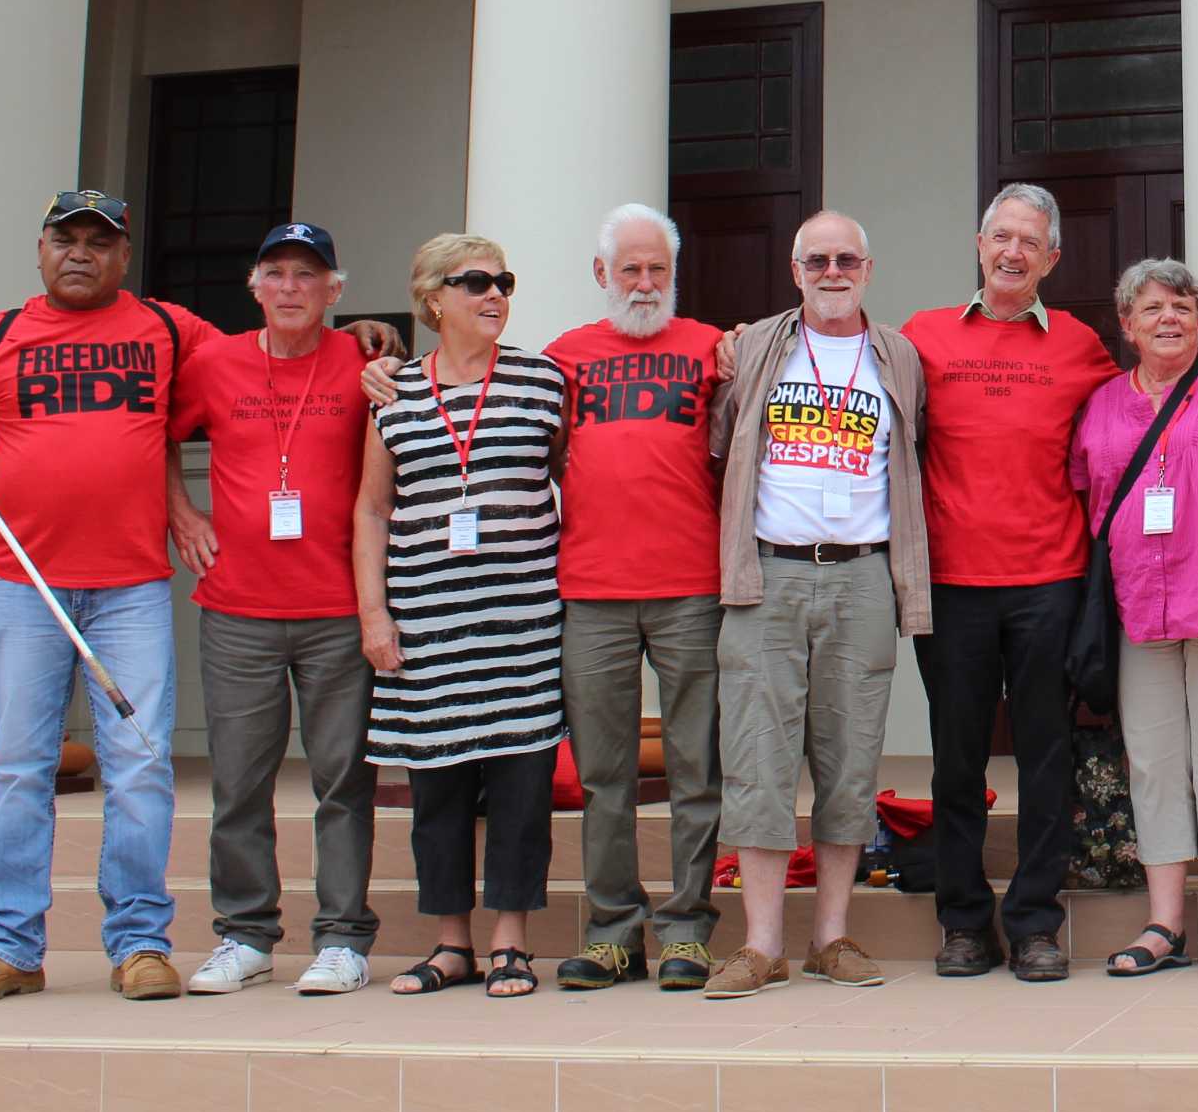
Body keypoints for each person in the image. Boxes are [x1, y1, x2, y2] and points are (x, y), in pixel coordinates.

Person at [0, 191, 223, 1006]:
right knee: (18, 767)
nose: (81, 253)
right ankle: (5, 949)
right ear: (40, 250)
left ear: (124, 256)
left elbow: (262, 366)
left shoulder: (169, 328)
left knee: (140, 765)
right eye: (65, 239)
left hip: (130, 587)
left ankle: (140, 944)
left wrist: (355, 337)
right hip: (23, 583)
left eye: (99, 242)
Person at [702, 209, 929, 997]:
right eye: (818, 261)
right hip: (767, 574)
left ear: (868, 269)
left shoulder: (899, 356)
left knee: (850, 761)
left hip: (862, 577)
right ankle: (761, 944)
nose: (833, 272)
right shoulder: (753, 346)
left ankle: (832, 936)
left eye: (847, 260)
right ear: (794, 271)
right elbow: (715, 441)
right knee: (758, 759)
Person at [899, 184, 1119, 982]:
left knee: (1044, 757)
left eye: (1030, 242)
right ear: (979, 244)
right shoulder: (921, 337)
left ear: (1051, 258)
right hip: (951, 583)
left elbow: (1134, 415)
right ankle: (963, 923)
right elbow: (844, 370)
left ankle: (1033, 923)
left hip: (1049, 581)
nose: (1013, 252)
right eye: (1002, 237)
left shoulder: (1081, 345)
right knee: (956, 761)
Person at [167, 222, 379, 997]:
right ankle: (246, 935)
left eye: (308, 274)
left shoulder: (364, 362)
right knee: (238, 783)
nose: (291, 287)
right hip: (238, 610)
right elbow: (155, 435)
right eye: (277, 273)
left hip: (338, 610)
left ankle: (343, 939)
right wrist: (181, 513)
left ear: (335, 289)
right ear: (254, 287)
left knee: (343, 781)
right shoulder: (213, 363)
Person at [356, 235, 568, 999]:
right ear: (432, 299)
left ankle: (511, 942)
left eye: (502, 280)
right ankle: (452, 944)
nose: (494, 294)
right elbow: (372, 508)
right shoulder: (395, 392)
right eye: (474, 281)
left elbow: (568, 481)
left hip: (523, 626)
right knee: (438, 789)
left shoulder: (542, 381)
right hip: (427, 625)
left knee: (521, 788)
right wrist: (374, 616)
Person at [544, 204, 730, 993]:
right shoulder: (563, 358)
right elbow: (539, 448)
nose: (645, 283)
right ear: (602, 274)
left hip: (692, 588)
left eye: (658, 269)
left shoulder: (713, 348)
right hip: (592, 591)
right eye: (631, 269)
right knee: (604, 776)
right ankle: (613, 933)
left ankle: (688, 931)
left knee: (696, 768)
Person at [1073, 259, 1198, 979]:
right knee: (1154, 763)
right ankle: (1164, 923)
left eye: (1183, 307)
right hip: (1134, 605)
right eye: (1152, 308)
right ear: (1127, 324)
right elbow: (1084, 499)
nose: (1169, 319)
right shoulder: (1100, 404)